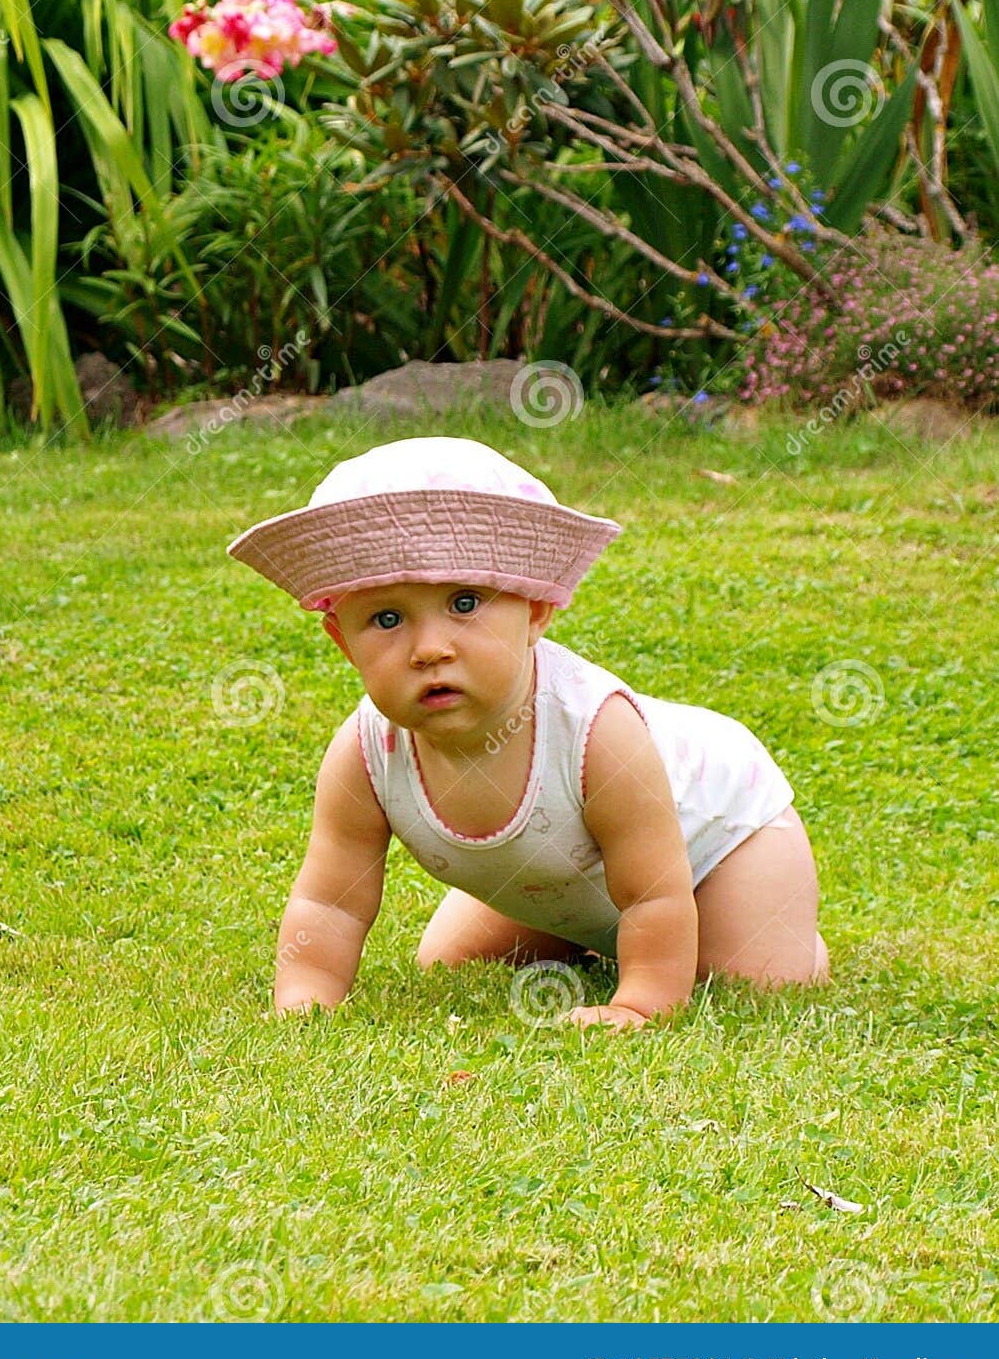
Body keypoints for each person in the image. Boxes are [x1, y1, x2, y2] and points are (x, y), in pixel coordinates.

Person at [227, 436, 830, 1032]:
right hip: (563, 879)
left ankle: (773, 935)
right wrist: (305, 995)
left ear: (536, 611)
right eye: (387, 619)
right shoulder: (365, 754)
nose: (430, 648)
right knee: (450, 961)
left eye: (465, 603)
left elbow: (655, 893)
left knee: (752, 978)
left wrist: (639, 1003)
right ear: (342, 641)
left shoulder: (597, 731)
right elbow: (330, 899)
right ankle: (593, 938)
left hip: (720, 844)